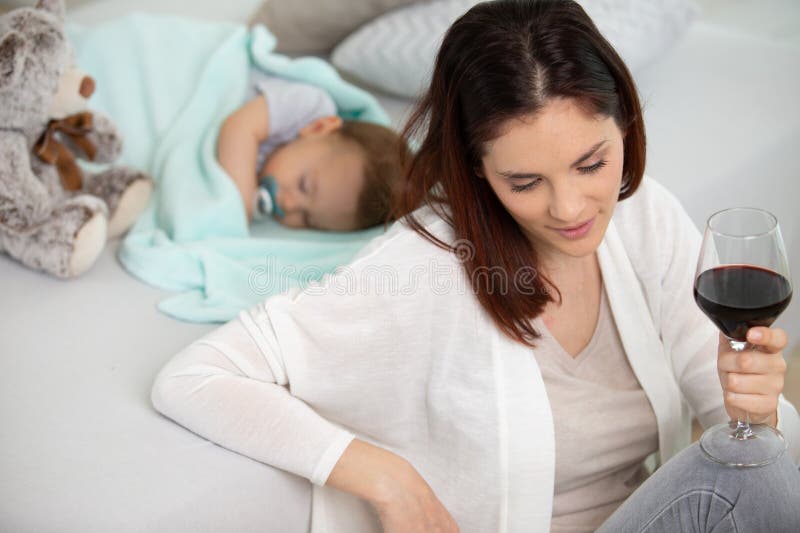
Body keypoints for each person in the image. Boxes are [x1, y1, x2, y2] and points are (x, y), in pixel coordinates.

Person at [153, 1, 800, 532]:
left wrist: (757, 406)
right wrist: (386, 476)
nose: (571, 207)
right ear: (476, 170)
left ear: (625, 124)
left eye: (592, 163)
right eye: (526, 181)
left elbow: (735, 432)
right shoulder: (425, 266)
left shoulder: (643, 216)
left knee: (765, 456)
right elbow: (195, 377)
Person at [217, 70, 409, 231]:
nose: (289, 205)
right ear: (319, 128)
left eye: (306, 219)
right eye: (303, 185)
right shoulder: (308, 107)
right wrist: (241, 210)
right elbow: (239, 127)